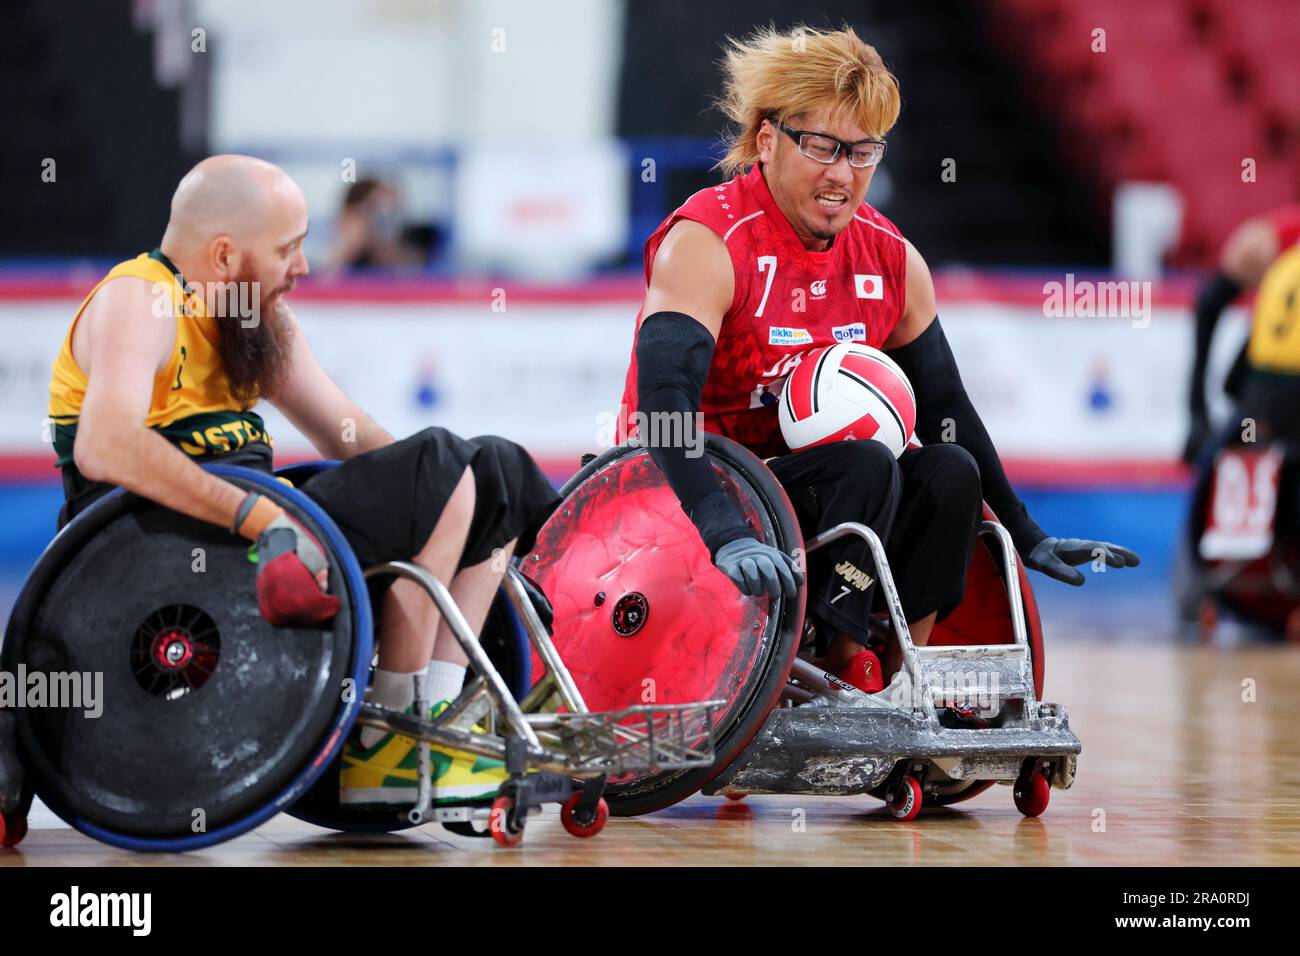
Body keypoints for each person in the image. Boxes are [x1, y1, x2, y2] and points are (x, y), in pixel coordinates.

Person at [616, 25, 1139, 695]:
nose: (843, 174)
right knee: (864, 460)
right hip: (706, 482)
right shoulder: (708, 240)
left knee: (950, 470)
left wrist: (1026, 531)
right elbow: (664, 409)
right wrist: (723, 532)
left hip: (822, 487)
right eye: (823, 148)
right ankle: (839, 651)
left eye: (862, 152)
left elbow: (947, 408)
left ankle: (898, 679)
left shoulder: (890, 256)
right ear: (769, 140)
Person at [47, 155, 559, 806]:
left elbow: (350, 433)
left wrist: (470, 495)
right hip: (156, 554)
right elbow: (105, 444)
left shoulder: (252, 319)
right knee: (441, 467)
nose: (305, 266)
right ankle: (386, 739)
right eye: (288, 248)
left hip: (262, 531)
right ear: (226, 255)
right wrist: (260, 520)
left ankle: (433, 719)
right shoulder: (142, 297)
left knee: (494, 465)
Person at [1183, 204, 1300, 463]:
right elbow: (1209, 303)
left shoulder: (1275, 236)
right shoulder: (1278, 236)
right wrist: (1197, 409)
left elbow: (1208, 303)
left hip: (1264, 392)